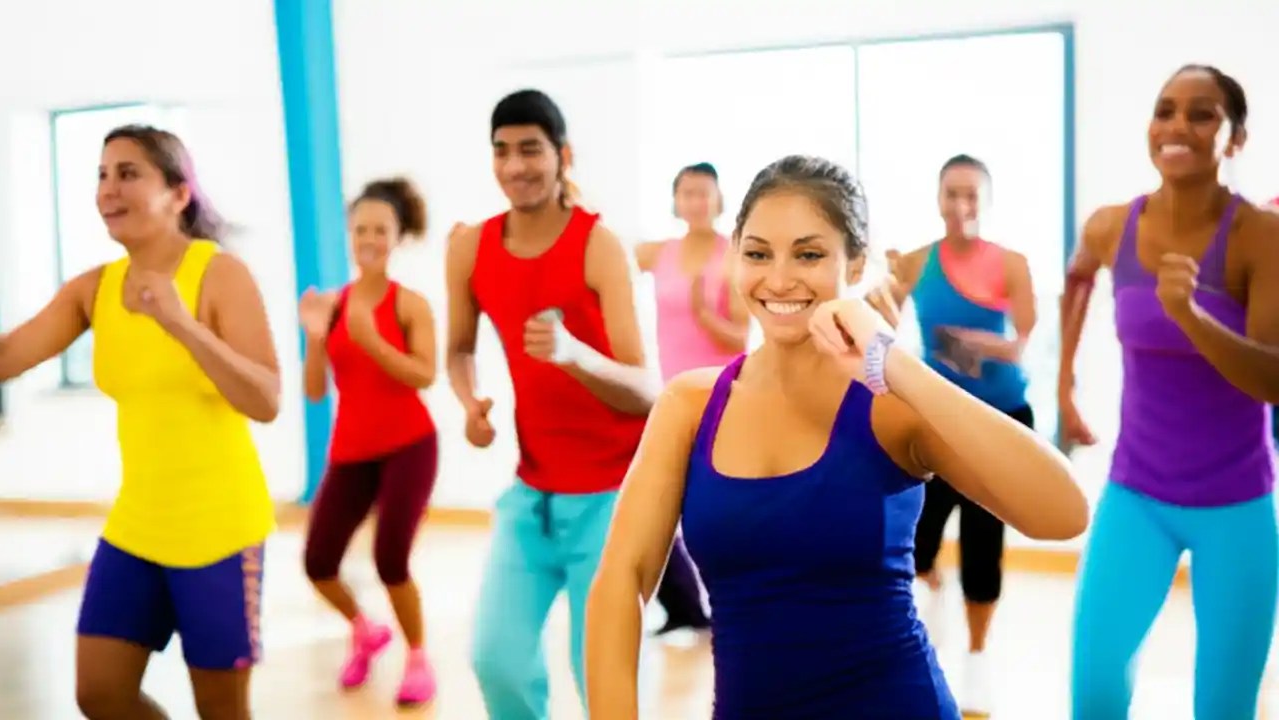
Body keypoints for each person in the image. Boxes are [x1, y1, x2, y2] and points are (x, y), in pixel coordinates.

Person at [584, 154, 1089, 719]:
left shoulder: (891, 408)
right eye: (757, 253)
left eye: (809, 254)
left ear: (856, 265)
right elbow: (621, 579)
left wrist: (893, 363)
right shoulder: (690, 406)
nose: (778, 278)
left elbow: (1062, 513)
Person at [0, 124, 279, 719]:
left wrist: (181, 323)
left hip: (218, 528)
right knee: (100, 692)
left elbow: (266, 399)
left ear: (180, 194)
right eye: (102, 175)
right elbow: (6, 357)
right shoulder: (93, 289)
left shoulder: (219, 274)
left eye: (128, 174)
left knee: (222, 713)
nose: (108, 190)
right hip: (138, 524)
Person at [1062, 64, 1279, 719]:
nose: (1177, 126)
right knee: (1096, 694)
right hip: (1137, 497)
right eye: (1165, 110)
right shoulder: (1109, 226)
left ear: (1234, 138)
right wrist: (1063, 381)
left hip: (1237, 506)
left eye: (1202, 113)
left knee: (1223, 707)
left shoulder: (1260, 239)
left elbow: (1271, 378)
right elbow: (1077, 279)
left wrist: (1192, 316)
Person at [445, 89, 658, 720]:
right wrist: (470, 400)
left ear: (561, 155)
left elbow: (649, 391)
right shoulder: (469, 248)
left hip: (612, 499)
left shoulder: (599, 245)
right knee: (495, 658)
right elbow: (459, 347)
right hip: (532, 494)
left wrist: (573, 355)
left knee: (602, 678)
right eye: (502, 151)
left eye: (531, 149)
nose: (516, 166)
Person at [868, 153, 1038, 714]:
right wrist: (884, 282)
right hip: (937, 422)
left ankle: (979, 658)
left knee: (984, 548)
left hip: (1001, 419)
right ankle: (933, 603)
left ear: (986, 201)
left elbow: (1021, 341)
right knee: (917, 542)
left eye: (972, 195)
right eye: (951, 194)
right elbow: (881, 322)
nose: (961, 206)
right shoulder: (918, 261)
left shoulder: (1012, 263)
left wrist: (971, 341)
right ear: (938, 198)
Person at [298, 177, 440, 706]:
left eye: (381, 229)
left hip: (409, 444)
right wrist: (316, 341)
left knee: (390, 558)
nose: (370, 237)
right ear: (349, 234)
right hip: (352, 450)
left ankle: (418, 656)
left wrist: (373, 341)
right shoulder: (334, 305)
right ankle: (364, 630)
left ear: (397, 236)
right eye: (361, 228)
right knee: (318, 561)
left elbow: (424, 375)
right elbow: (315, 392)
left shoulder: (411, 305)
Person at [634, 161, 747, 639]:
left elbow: (741, 334)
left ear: (719, 200)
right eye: (688, 193)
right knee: (662, 501)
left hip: (721, 395)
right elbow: (599, 236)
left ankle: (730, 603)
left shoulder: (733, 256)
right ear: (676, 201)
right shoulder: (657, 252)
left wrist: (704, 312)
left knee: (717, 501)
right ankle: (687, 605)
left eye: (705, 193)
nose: (697, 202)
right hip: (669, 396)